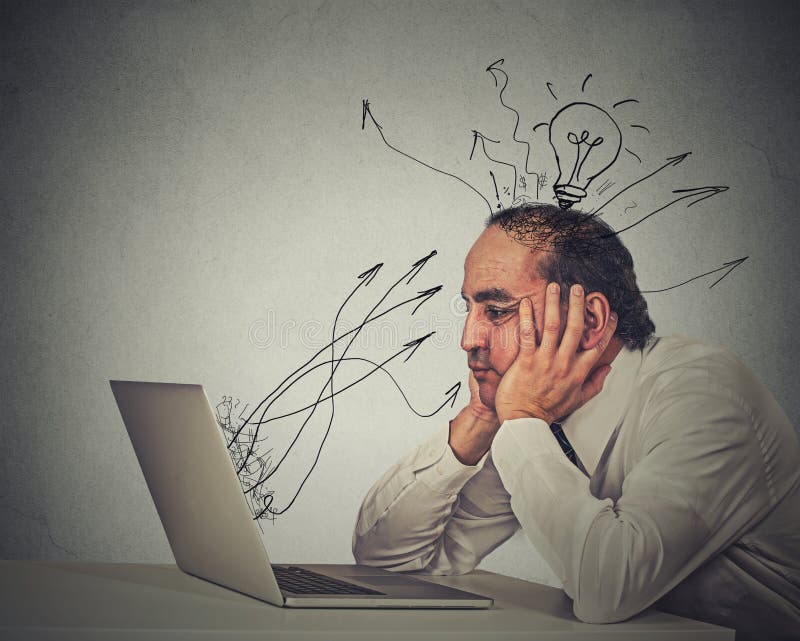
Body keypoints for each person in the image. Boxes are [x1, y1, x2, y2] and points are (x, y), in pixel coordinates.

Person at [352, 203, 800, 641]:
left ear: (589, 320)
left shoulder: (704, 393)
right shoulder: (539, 408)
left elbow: (608, 591)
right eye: (468, 309)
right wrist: (481, 418)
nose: (468, 339)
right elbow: (389, 560)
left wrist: (523, 419)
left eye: (497, 310)